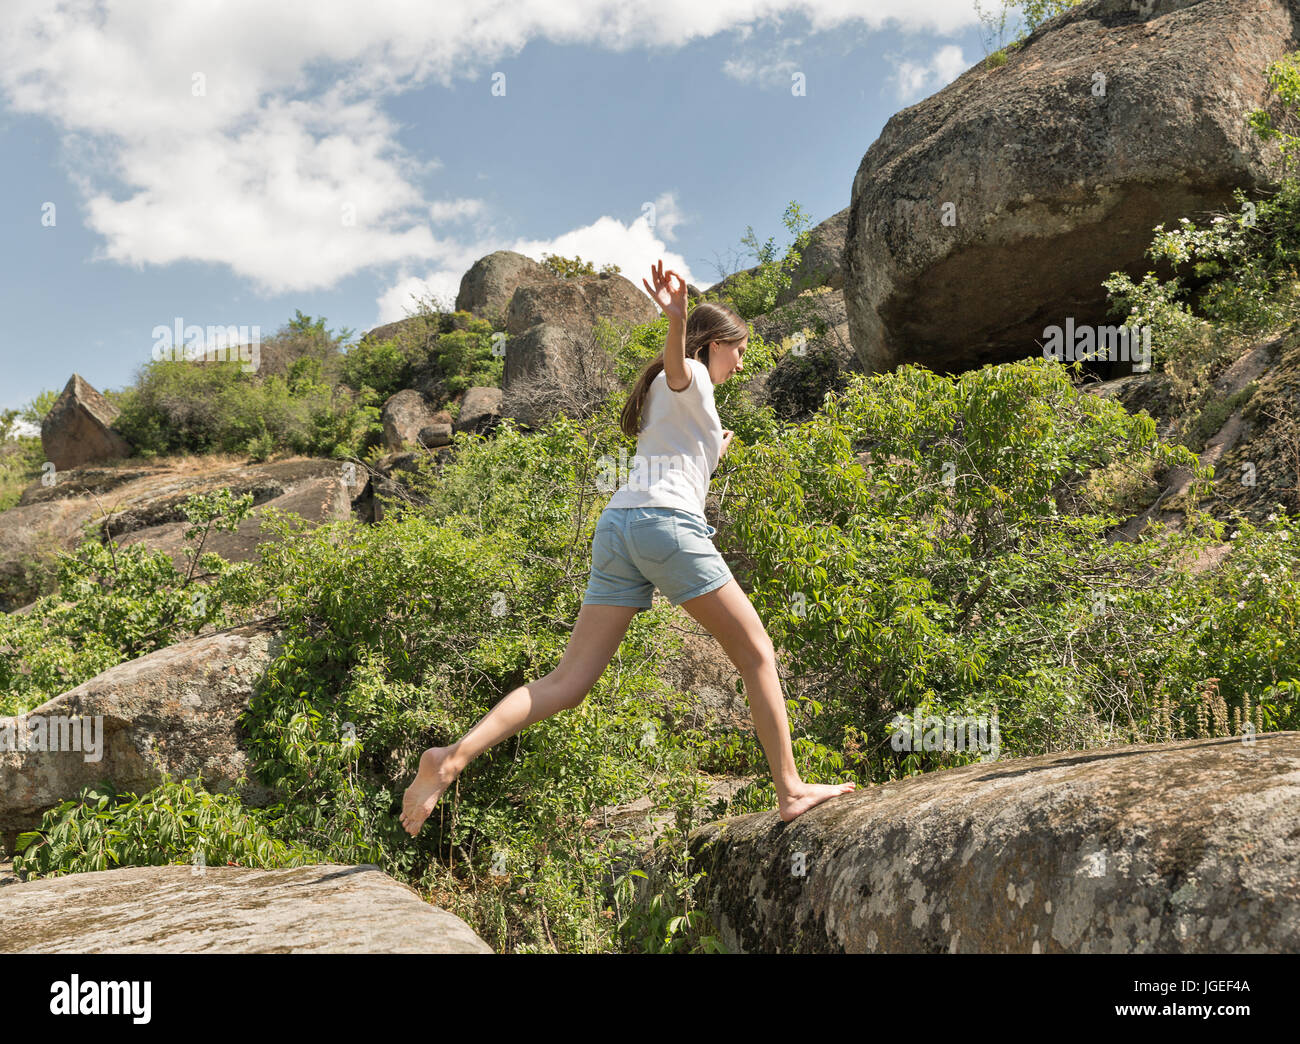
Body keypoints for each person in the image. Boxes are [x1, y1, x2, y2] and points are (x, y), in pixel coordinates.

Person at [401, 259, 855, 836]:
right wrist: (677, 320)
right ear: (713, 345)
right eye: (737, 349)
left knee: (567, 682)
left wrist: (717, 445)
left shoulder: (679, 404)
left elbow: (683, 446)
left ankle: (452, 757)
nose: (741, 361)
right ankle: (790, 790)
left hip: (619, 527)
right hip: (664, 525)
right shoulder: (687, 372)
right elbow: (677, 369)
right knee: (758, 653)